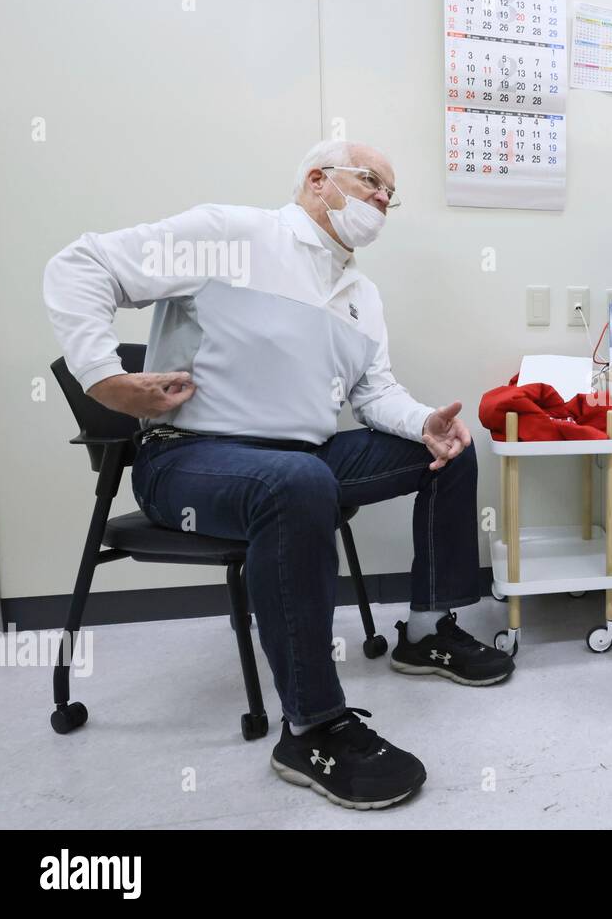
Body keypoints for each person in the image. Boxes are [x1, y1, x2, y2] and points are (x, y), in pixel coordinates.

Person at [43, 140, 514, 810]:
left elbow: (374, 395)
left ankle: (427, 632)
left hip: (305, 456)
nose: (383, 199)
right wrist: (106, 380)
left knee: (450, 450)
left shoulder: (360, 292)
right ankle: (313, 728)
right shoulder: (233, 234)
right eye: (371, 181)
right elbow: (80, 265)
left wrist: (422, 425)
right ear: (318, 181)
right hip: (189, 458)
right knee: (297, 483)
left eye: (391, 193)